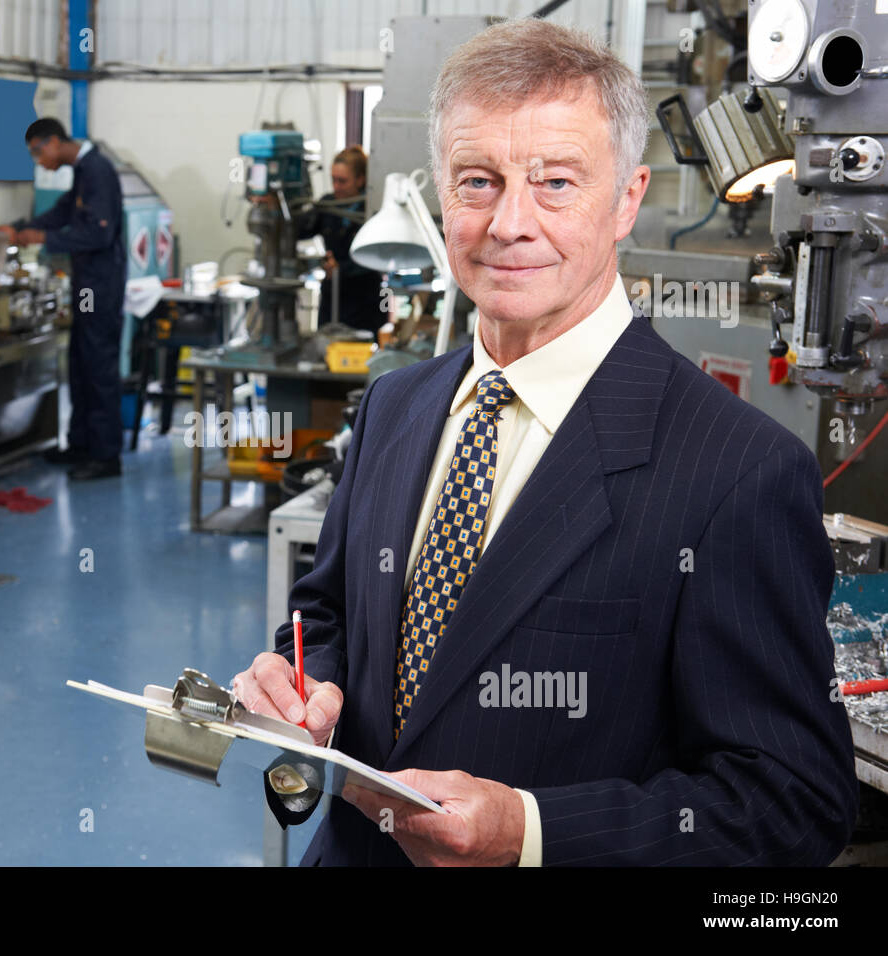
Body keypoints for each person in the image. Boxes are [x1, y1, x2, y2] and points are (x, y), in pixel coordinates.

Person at [232, 19, 858, 866]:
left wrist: (529, 832)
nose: (508, 224)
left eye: (556, 182)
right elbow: (329, 612)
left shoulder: (736, 471)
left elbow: (792, 802)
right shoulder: (396, 405)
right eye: (478, 181)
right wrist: (305, 686)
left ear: (627, 199)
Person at [1, 118, 126, 481]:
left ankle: (105, 456)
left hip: (100, 285)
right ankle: (81, 443)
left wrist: (45, 241)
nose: (39, 161)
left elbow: (98, 234)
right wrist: (23, 228)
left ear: (54, 142)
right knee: (81, 359)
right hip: (85, 284)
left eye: (38, 152)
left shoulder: (97, 170)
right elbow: (64, 212)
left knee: (98, 363)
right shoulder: (83, 171)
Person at [298, 146, 385, 333]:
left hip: (364, 299)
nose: (336, 187)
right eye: (333, 180)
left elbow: (379, 258)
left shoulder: (373, 210)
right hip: (332, 298)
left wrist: (341, 268)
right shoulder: (327, 204)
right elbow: (299, 231)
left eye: (342, 181)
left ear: (360, 179)